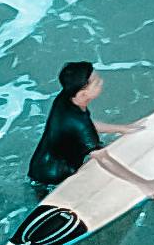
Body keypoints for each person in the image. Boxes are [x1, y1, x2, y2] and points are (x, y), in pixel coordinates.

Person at [27, 60, 119, 192]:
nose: (102, 82)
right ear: (83, 94)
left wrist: (123, 129)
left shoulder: (66, 97)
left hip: (39, 165)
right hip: (56, 177)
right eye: (97, 83)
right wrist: (143, 184)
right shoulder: (80, 124)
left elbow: (83, 127)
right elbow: (102, 159)